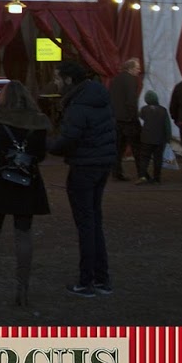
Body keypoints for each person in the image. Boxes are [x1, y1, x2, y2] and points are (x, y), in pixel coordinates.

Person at [0, 80, 51, 305]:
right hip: (27, 182)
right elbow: (41, 155)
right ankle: (22, 289)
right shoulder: (38, 123)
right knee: (23, 234)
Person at [50, 59, 117, 297]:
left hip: (83, 166)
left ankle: (86, 279)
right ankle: (102, 278)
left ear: (69, 80)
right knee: (95, 221)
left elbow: (69, 139)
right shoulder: (98, 97)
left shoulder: (77, 105)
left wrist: (47, 146)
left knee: (86, 224)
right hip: (101, 163)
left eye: (58, 78)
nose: (55, 83)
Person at [109, 58, 142, 182]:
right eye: (137, 68)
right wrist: (134, 116)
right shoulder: (131, 80)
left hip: (116, 118)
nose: (139, 70)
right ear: (130, 68)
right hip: (129, 120)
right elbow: (131, 100)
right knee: (137, 148)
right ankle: (142, 173)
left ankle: (116, 172)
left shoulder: (115, 80)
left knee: (118, 148)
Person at [137, 89, 170, 184]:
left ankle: (142, 176)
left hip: (146, 138)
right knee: (158, 159)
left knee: (144, 158)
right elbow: (167, 125)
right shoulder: (163, 110)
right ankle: (157, 178)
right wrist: (168, 138)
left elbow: (140, 117)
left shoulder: (144, 109)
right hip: (160, 139)